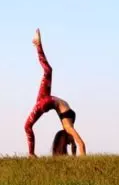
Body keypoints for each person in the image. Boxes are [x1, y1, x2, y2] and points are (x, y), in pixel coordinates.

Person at [24, 29, 86, 158]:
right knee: (27, 126)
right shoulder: (68, 127)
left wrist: (75, 154)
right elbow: (80, 143)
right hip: (46, 100)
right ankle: (31, 154)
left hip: (47, 101)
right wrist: (83, 157)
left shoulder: (68, 123)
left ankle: (31, 154)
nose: (70, 142)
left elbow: (75, 144)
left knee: (48, 71)